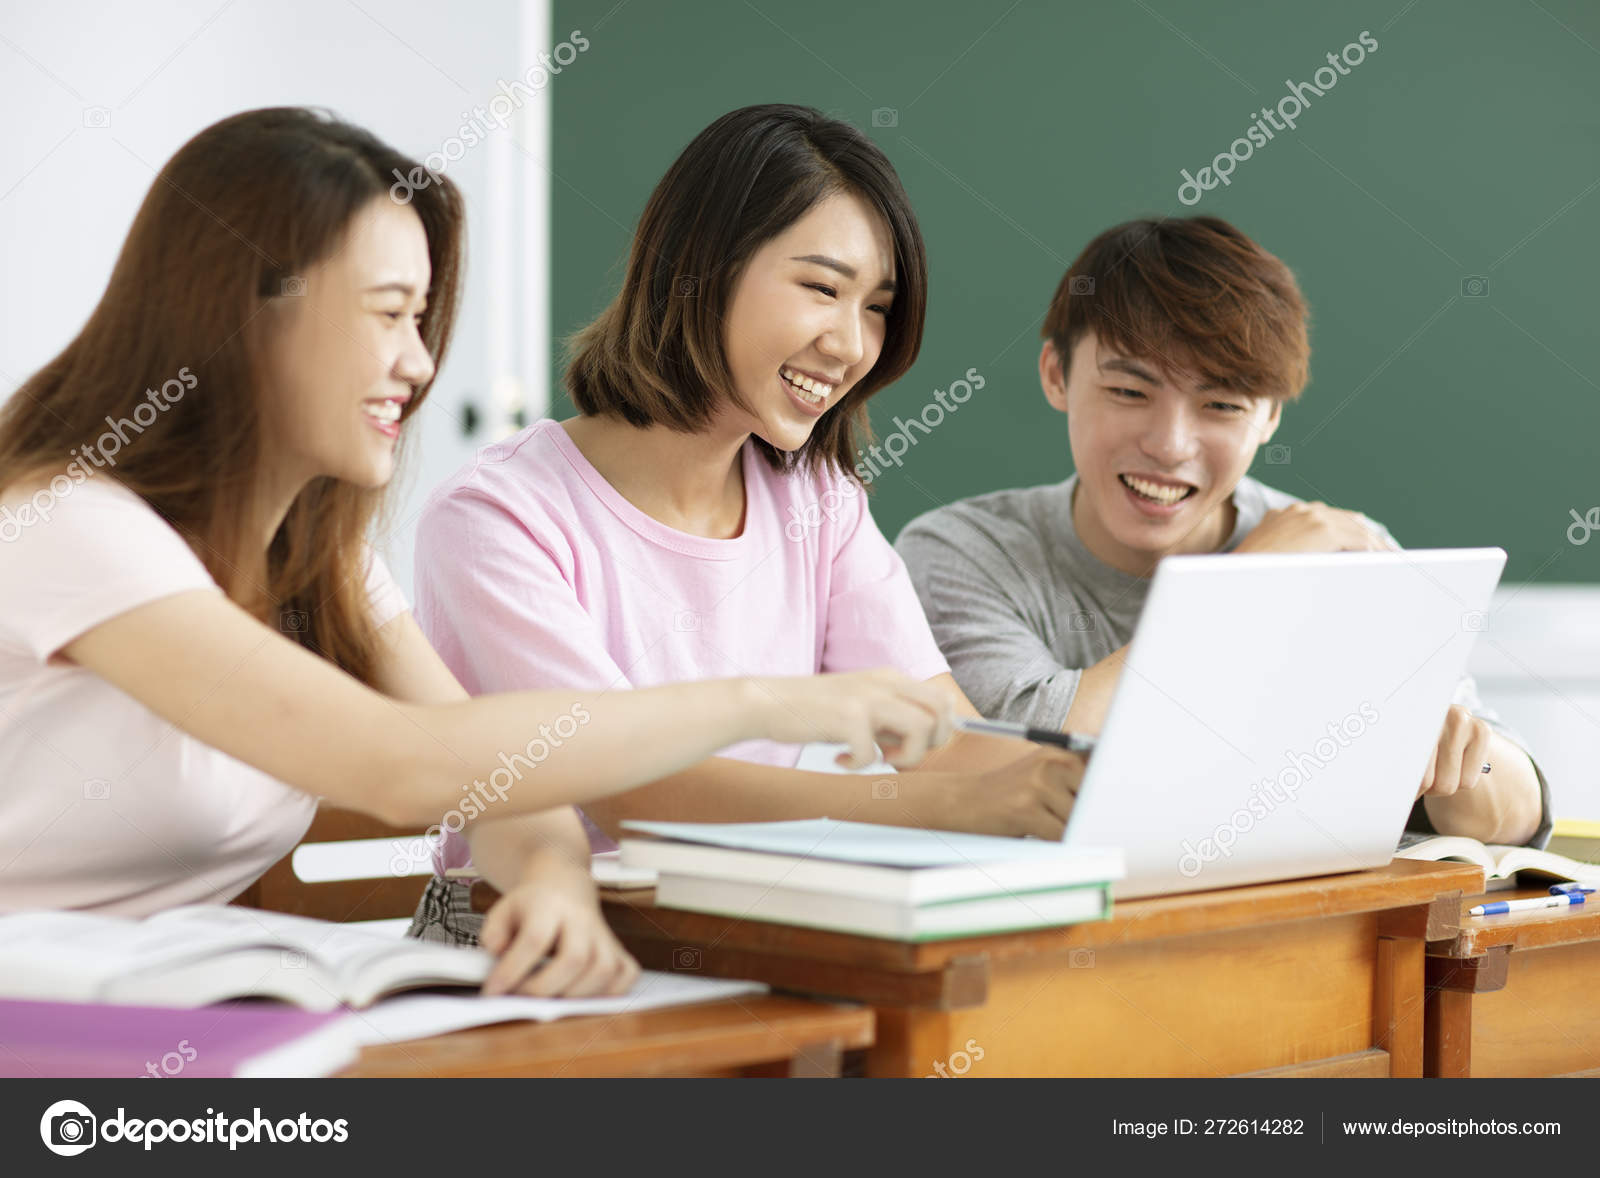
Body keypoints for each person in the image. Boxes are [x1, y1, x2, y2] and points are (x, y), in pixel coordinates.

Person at [0, 107, 958, 999]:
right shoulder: (70, 525)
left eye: (421, 319)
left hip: (155, 1002)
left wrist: (549, 879)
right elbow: (401, 764)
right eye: (387, 313)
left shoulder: (325, 565)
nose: (419, 363)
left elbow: (489, 776)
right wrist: (767, 702)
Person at [407, 104, 1081, 946]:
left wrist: (1083, 787)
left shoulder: (818, 503)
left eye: (877, 307)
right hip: (521, 945)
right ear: (703, 269)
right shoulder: (498, 518)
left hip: (733, 928)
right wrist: (952, 807)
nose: (851, 344)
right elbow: (631, 794)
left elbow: (940, 735)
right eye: (822, 289)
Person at [897, 215, 1548, 848]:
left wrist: (1460, 765)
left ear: (1270, 418)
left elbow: (1520, 810)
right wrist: (1243, 581)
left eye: (1222, 406)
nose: (1170, 445)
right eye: (1129, 392)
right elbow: (1020, 765)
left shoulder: (1345, 551)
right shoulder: (962, 552)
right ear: (1056, 374)